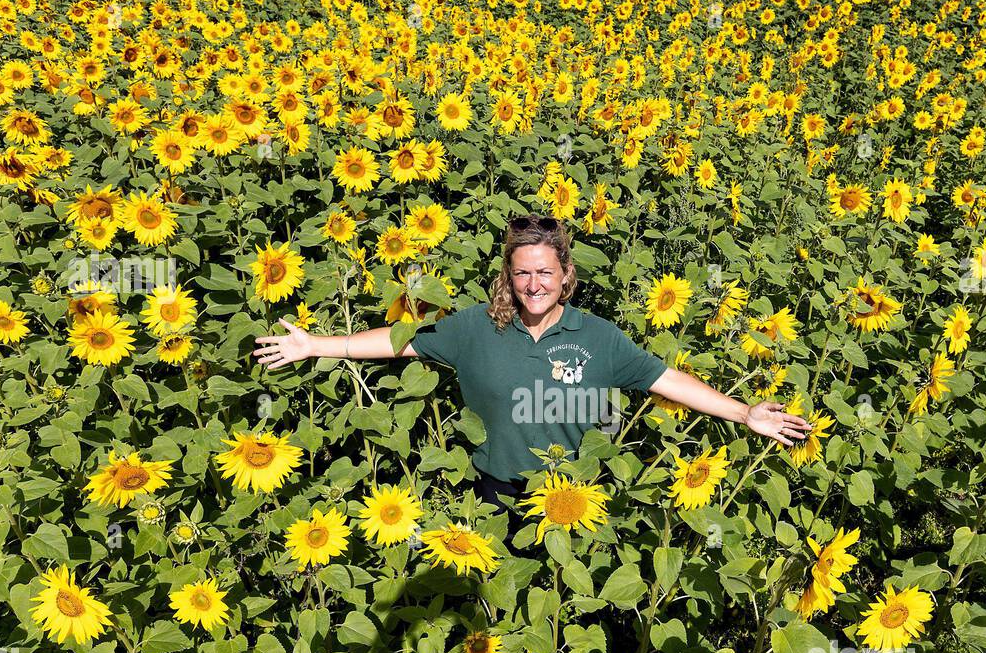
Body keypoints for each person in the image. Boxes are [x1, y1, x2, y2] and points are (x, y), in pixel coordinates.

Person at [251, 215, 812, 543]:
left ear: (566, 274)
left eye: (545, 272)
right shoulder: (474, 327)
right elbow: (400, 344)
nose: (534, 284)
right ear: (508, 277)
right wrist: (313, 346)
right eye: (523, 273)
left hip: (572, 494)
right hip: (494, 491)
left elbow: (663, 377)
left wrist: (743, 412)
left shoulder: (598, 337)